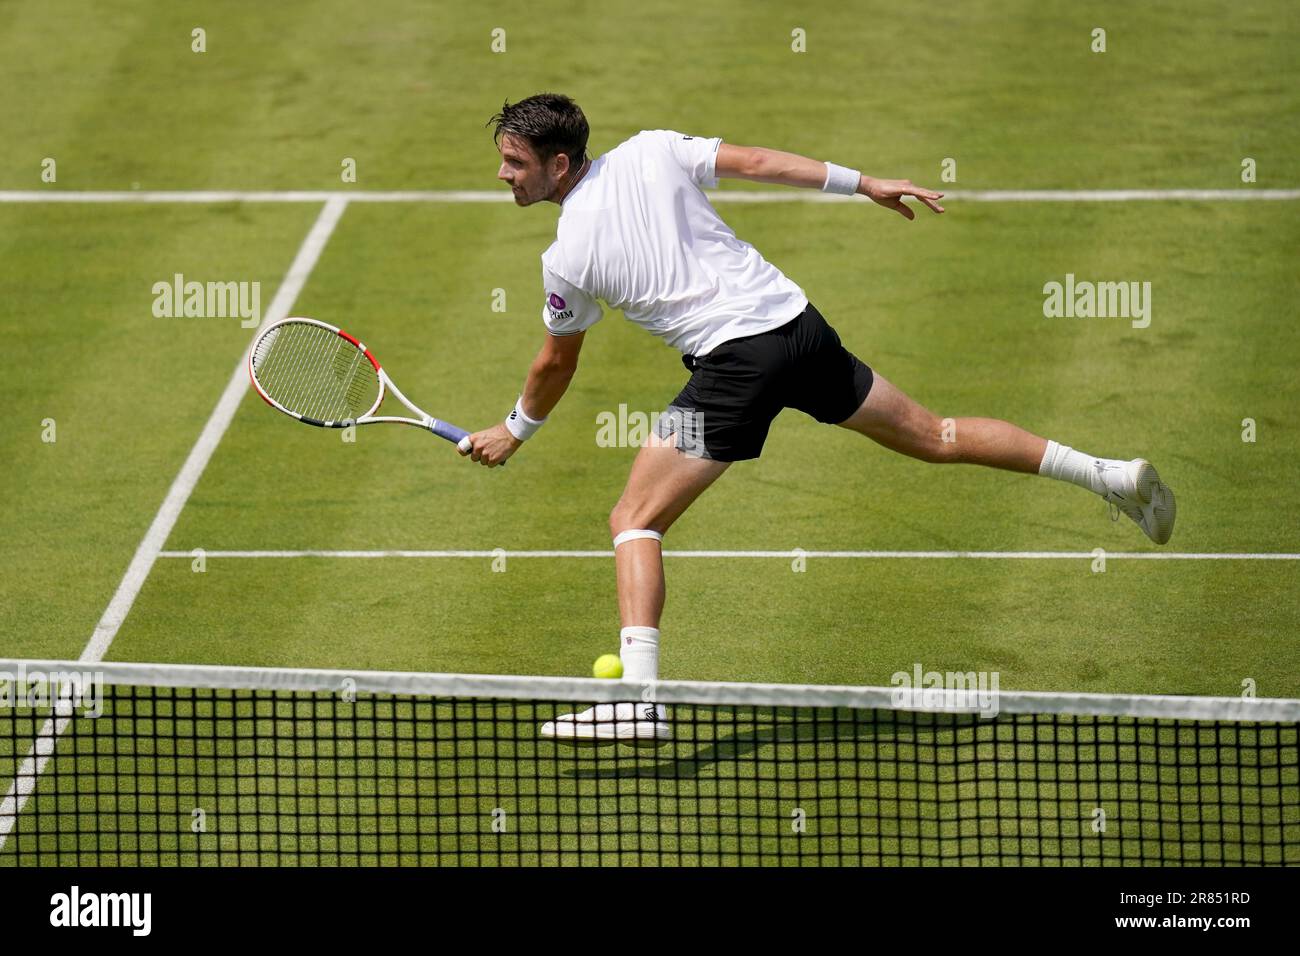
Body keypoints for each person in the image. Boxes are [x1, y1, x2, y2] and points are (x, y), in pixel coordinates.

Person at [461, 93, 1176, 744]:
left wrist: (514, 431)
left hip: (734, 369)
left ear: (559, 163)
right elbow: (762, 163)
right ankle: (1108, 475)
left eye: (516, 163)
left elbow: (556, 365)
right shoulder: (653, 147)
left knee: (634, 520)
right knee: (935, 436)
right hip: (797, 328)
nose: (504, 175)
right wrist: (867, 183)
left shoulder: (567, 257)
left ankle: (643, 701)